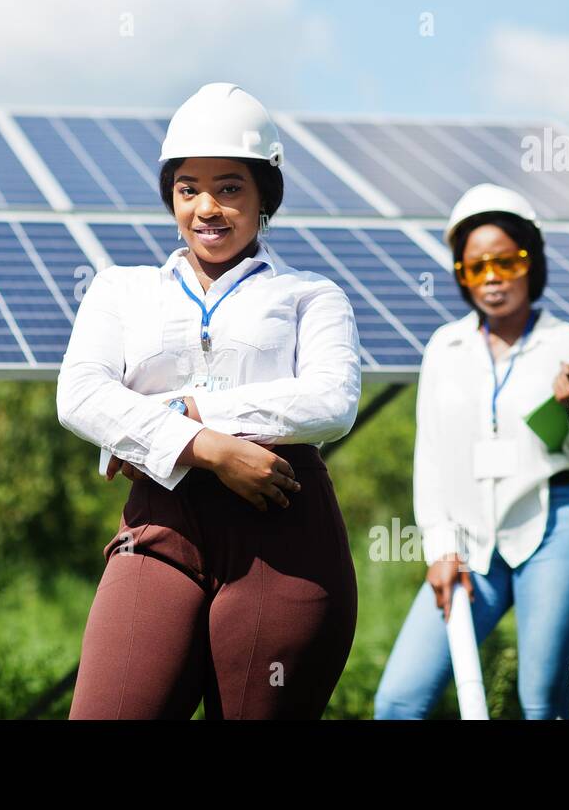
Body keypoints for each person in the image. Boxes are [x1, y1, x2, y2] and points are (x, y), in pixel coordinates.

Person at [57, 82, 362, 719]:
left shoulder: (312, 295)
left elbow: (332, 401)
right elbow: (80, 396)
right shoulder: (120, 290)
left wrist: (189, 415)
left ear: (263, 196)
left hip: (283, 532)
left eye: (229, 188)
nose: (207, 208)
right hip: (162, 523)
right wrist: (211, 449)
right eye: (188, 188)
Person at [373, 183, 569, 720]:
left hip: (553, 528)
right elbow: (429, 458)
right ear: (460, 274)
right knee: (398, 700)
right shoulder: (444, 348)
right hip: (468, 545)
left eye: (506, 261)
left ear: (532, 261)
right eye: (475, 267)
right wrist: (439, 547)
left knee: (543, 701)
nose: (493, 277)